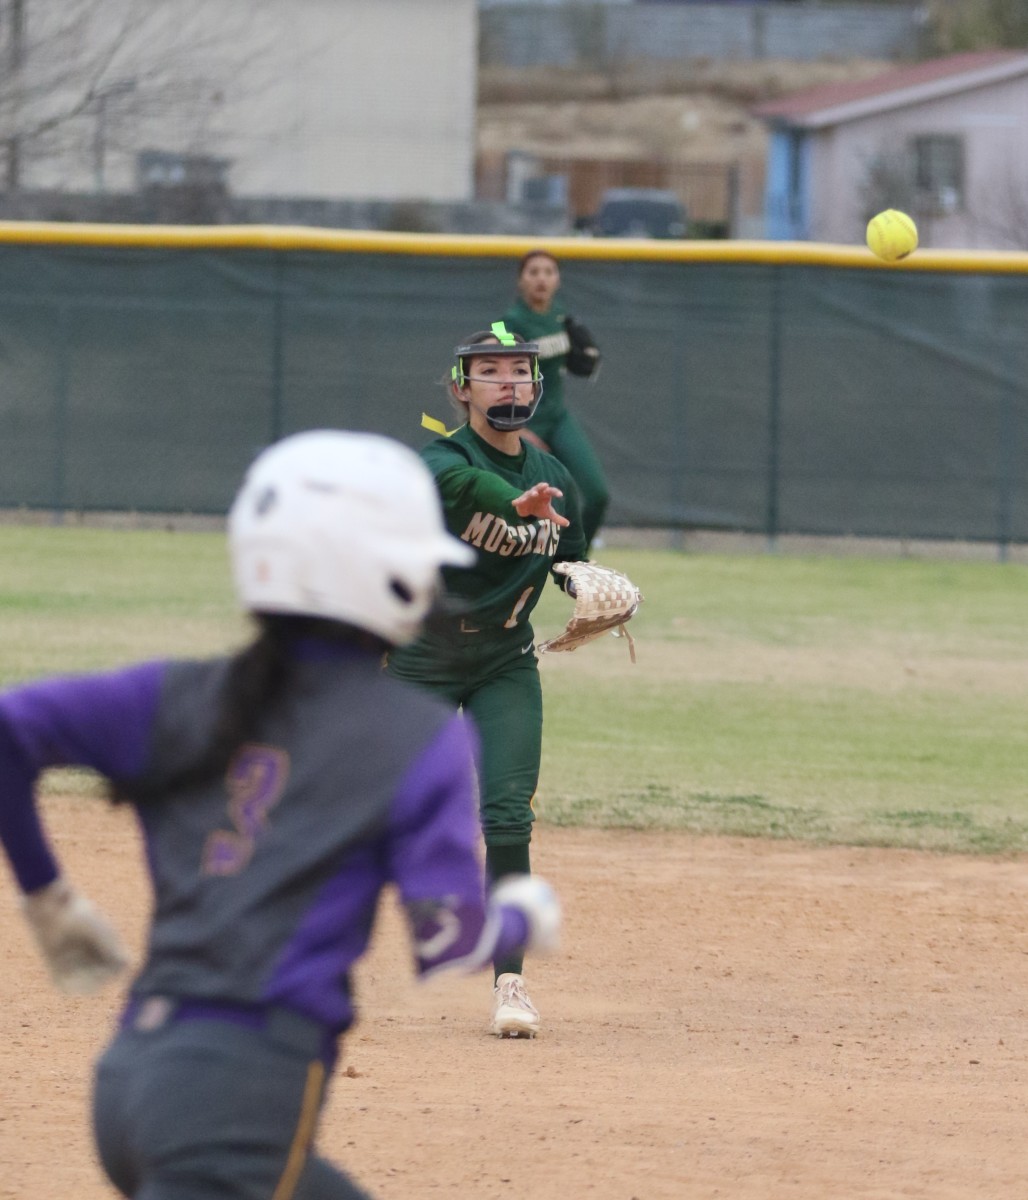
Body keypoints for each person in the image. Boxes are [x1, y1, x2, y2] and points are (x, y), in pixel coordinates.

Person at [0, 429, 561, 1200]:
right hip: (241, 1097)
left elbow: (9, 732)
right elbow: (449, 936)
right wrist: (525, 917)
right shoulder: (414, 732)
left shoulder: (180, 695)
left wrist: (47, 898)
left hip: (132, 1079)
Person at [390, 321, 587, 1039]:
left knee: (506, 817)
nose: (508, 381)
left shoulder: (558, 476)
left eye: (519, 371)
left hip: (506, 661)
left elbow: (573, 558)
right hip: (421, 660)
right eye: (492, 370)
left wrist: (597, 590)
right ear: (461, 387)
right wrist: (515, 504)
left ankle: (510, 982)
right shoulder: (439, 460)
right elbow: (467, 486)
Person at [501, 248, 610, 553]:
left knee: (597, 494)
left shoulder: (560, 316)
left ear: (558, 280)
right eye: (533, 272)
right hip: (524, 423)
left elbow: (576, 362)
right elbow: (498, 378)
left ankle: (575, 563)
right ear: (520, 280)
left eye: (549, 272)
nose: (541, 279)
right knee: (519, 510)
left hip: (558, 417)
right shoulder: (505, 324)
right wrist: (516, 429)